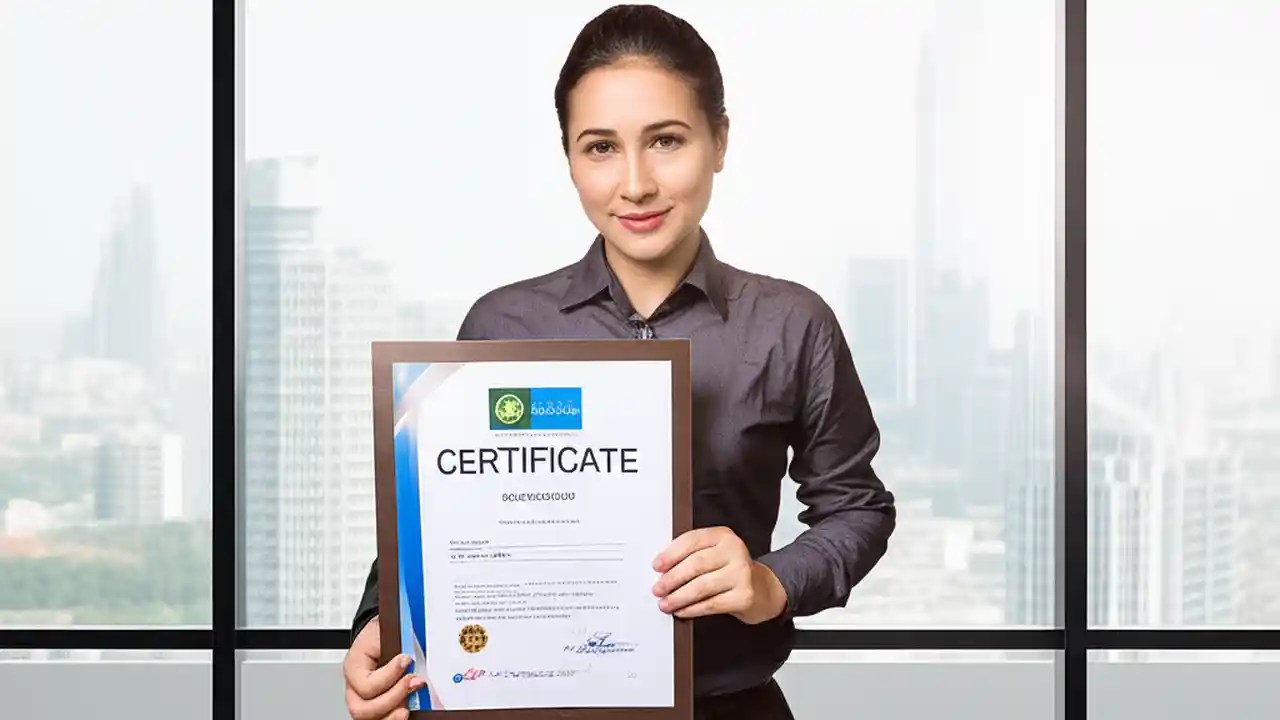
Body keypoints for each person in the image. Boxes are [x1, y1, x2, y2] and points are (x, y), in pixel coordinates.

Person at [342, 5, 896, 719]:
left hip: (731, 706)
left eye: (666, 140)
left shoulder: (791, 326)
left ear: (719, 140)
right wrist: (377, 625)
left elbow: (857, 508)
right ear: (568, 155)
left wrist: (770, 582)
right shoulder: (501, 324)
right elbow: (435, 518)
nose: (634, 183)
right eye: (600, 147)